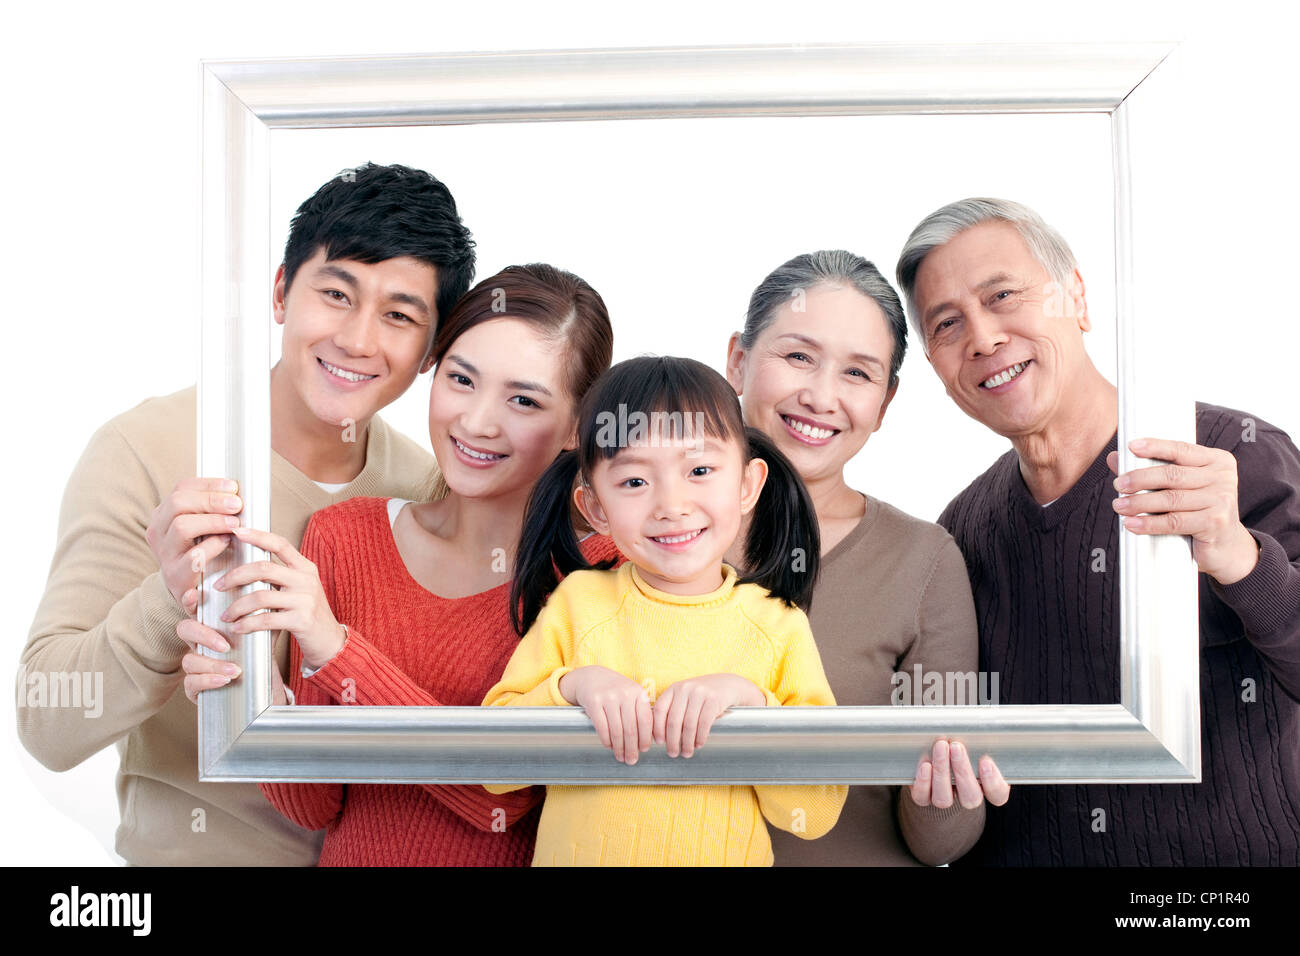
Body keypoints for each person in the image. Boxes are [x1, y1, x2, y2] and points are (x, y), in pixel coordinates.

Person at [17, 162, 476, 866]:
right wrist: (169, 601)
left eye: (400, 315)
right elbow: (47, 727)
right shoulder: (144, 449)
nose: (357, 339)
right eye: (336, 293)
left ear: (429, 354)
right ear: (280, 293)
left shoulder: (427, 486)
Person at [896, 196, 1300, 866]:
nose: (984, 338)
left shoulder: (1231, 455)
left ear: (1076, 298)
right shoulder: (959, 534)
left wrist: (1240, 557)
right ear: (937, 369)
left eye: (1002, 295)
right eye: (947, 324)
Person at [180, 264, 618, 865]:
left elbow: (506, 794)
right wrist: (257, 701)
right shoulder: (345, 536)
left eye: (522, 399)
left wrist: (338, 651)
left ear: (576, 425)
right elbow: (320, 807)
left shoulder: (601, 575)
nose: (476, 421)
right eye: (462, 379)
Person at [482, 355, 849, 867]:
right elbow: (495, 769)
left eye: (700, 470)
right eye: (634, 482)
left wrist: (753, 709)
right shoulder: (578, 603)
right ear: (595, 508)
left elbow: (814, 810)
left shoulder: (776, 625)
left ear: (746, 486)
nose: (671, 505)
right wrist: (571, 688)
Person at [724, 250, 1008, 866]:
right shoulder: (640, 530)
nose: (821, 396)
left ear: (885, 403)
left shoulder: (924, 560)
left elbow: (943, 843)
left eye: (857, 374)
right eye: (798, 356)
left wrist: (946, 794)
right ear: (739, 360)